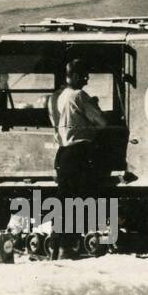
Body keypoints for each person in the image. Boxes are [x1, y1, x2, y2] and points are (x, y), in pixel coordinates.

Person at [46, 59, 110, 255]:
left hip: (64, 153)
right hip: (81, 154)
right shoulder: (80, 95)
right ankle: (73, 244)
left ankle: (59, 246)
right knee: (84, 199)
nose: (86, 80)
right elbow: (102, 123)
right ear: (73, 75)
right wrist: (95, 107)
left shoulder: (58, 97)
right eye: (83, 75)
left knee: (65, 200)